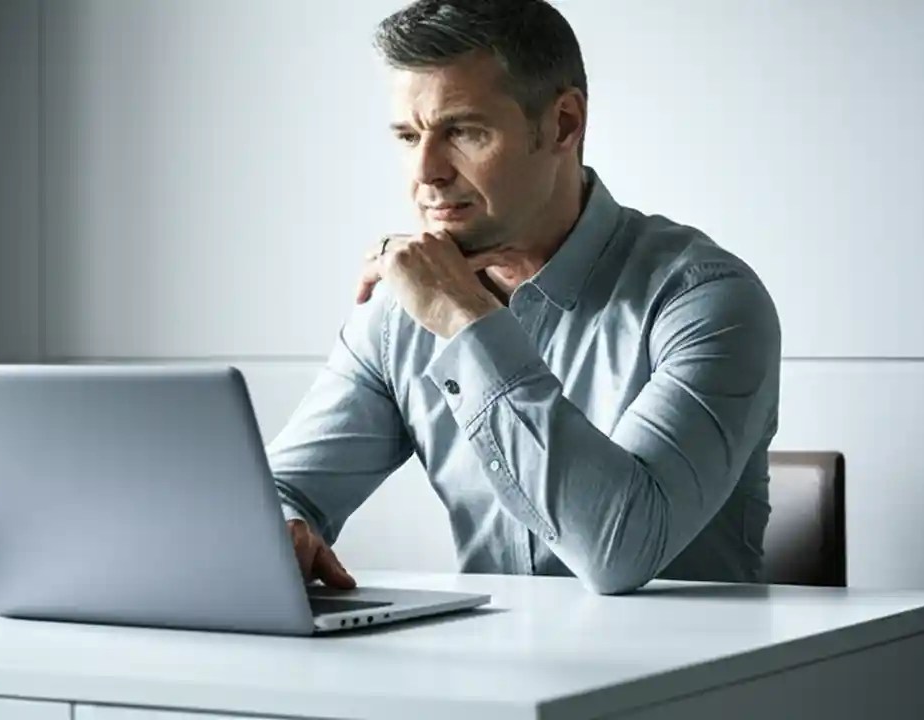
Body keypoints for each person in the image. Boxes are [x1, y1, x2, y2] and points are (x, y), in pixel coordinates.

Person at [267, 0, 781, 595]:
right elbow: (281, 489)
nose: (426, 171)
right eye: (409, 136)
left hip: (695, 682)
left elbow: (621, 549)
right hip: (490, 673)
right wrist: (283, 529)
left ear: (563, 123)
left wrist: (466, 321)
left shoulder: (707, 302)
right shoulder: (399, 315)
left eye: (462, 131)